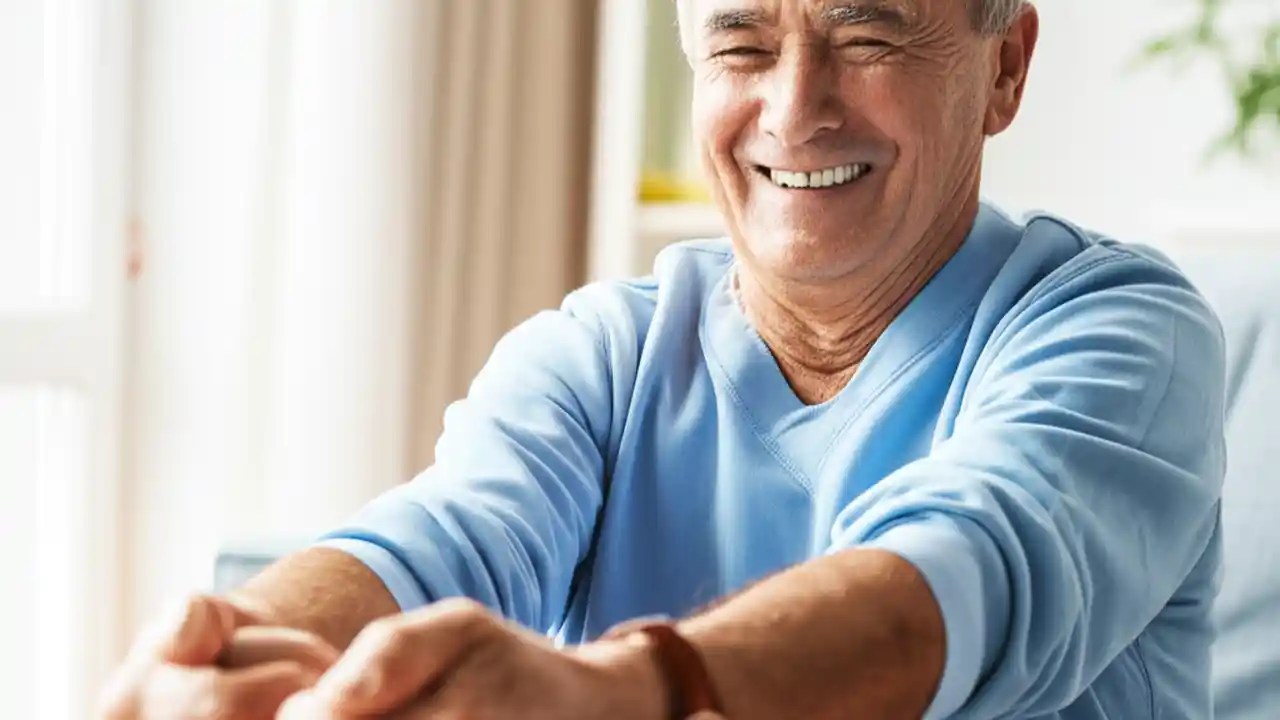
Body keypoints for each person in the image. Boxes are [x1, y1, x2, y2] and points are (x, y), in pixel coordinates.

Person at [99, 0, 1227, 718]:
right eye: (741, 43)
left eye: (866, 35)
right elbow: (434, 543)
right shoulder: (602, 352)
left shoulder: (1122, 329)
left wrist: (631, 690)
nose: (793, 110)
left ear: (1003, 69)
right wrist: (241, 653)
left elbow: (949, 583)